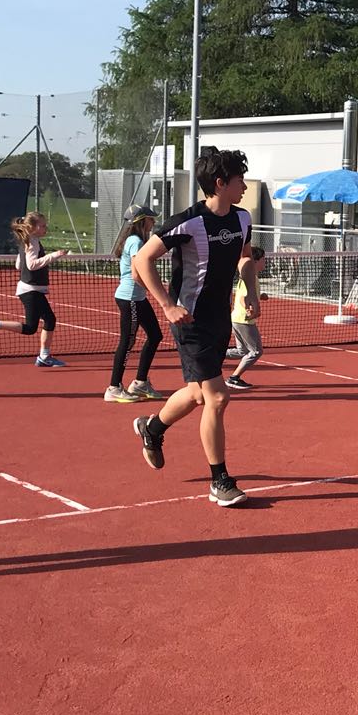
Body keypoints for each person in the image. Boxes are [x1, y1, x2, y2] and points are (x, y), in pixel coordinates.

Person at [129, 147, 253, 507]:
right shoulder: (187, 221)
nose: (244, 185)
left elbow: (245, 257)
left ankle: (151, 429)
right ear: (220, 183)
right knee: (217, 396)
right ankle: (220, 481)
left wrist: (251, 293)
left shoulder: (243, 219)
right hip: (191, 321)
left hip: (219, 320)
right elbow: (141, 260)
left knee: (198, 395)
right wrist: (167, 306)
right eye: (239, 179)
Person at [0, 212, 68, 365]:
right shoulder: (32, 242)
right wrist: (55, 255)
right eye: (42, 226)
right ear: (32, 227)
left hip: (31, 289)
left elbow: (19, 265)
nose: (45, 228)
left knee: (49, 320)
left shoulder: (28, 241)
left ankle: (44, 357)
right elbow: (31, 265)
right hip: (31, 290)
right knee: (32, 327)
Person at [104, 203, 165, 403]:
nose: (153, 222)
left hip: (137, 297)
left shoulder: (137, 240)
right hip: (130, 297)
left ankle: (140, 383)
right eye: (150, 218)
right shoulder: (136, 242)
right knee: (127, 342)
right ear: (141, 221)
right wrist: (157, 292)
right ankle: (114, 387)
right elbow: (137, 273)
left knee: (155, 335)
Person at [225, 244, 267, 392]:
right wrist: (250, 309)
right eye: (263, 259)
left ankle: (214, 353)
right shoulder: (251, 278)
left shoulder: (251, 278)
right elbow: (243, 297)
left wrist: (260, 296)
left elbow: (249, 294)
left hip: (237, 318)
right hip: (244, 320)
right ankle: (234, 378)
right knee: (256, 351)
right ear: (255, 261)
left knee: (242, 351)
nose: (265, 262)